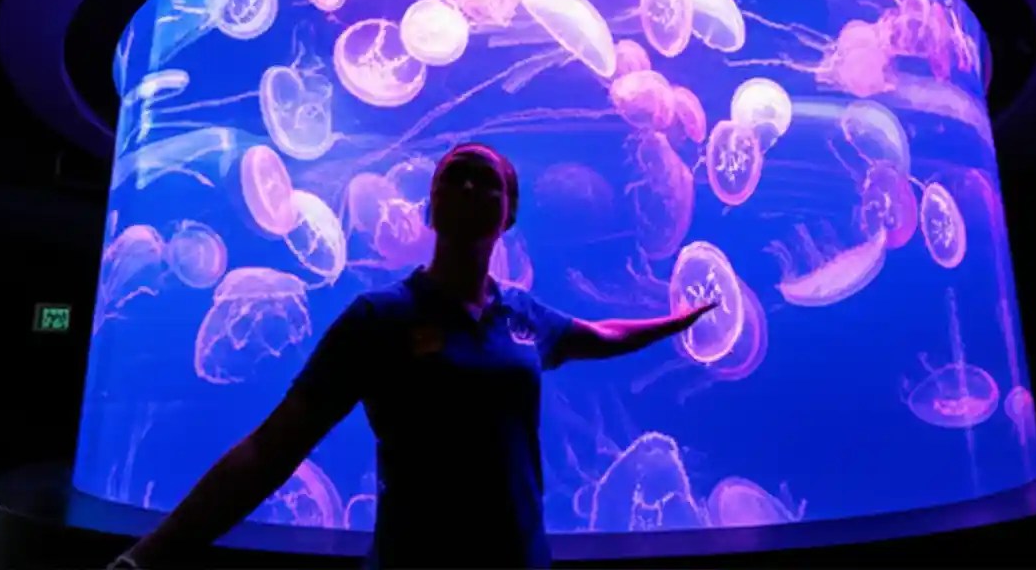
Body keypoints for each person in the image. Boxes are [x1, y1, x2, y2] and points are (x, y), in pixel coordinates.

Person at [112, 142, 715, 569]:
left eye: (486, 179)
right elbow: (272, 448)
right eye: (454, 176)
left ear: (509, 213)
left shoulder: (523, 315)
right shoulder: (378, 318)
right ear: (429, 206)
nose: (469, 186)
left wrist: (676, 321)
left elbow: (600, 335)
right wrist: (149, 556)